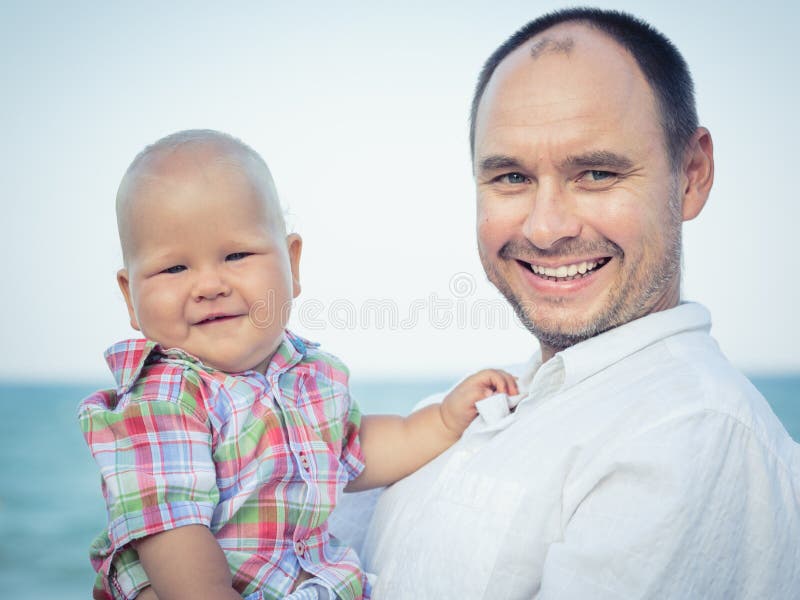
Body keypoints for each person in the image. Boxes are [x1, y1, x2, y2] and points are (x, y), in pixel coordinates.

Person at [340, 8, 800, 598]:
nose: (546, 228)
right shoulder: (462, 410)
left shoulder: (689, 433)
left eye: (597, 173)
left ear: (691, 174)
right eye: (511, 178)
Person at [78, 129, 517, 600]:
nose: (208, 284)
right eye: (174, 268)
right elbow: (173, 539)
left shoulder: (309, 375)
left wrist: (443, 421)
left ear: (293, 264)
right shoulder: (161, 401)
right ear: (131, 296)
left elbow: (354, 447)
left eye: (236, 255)